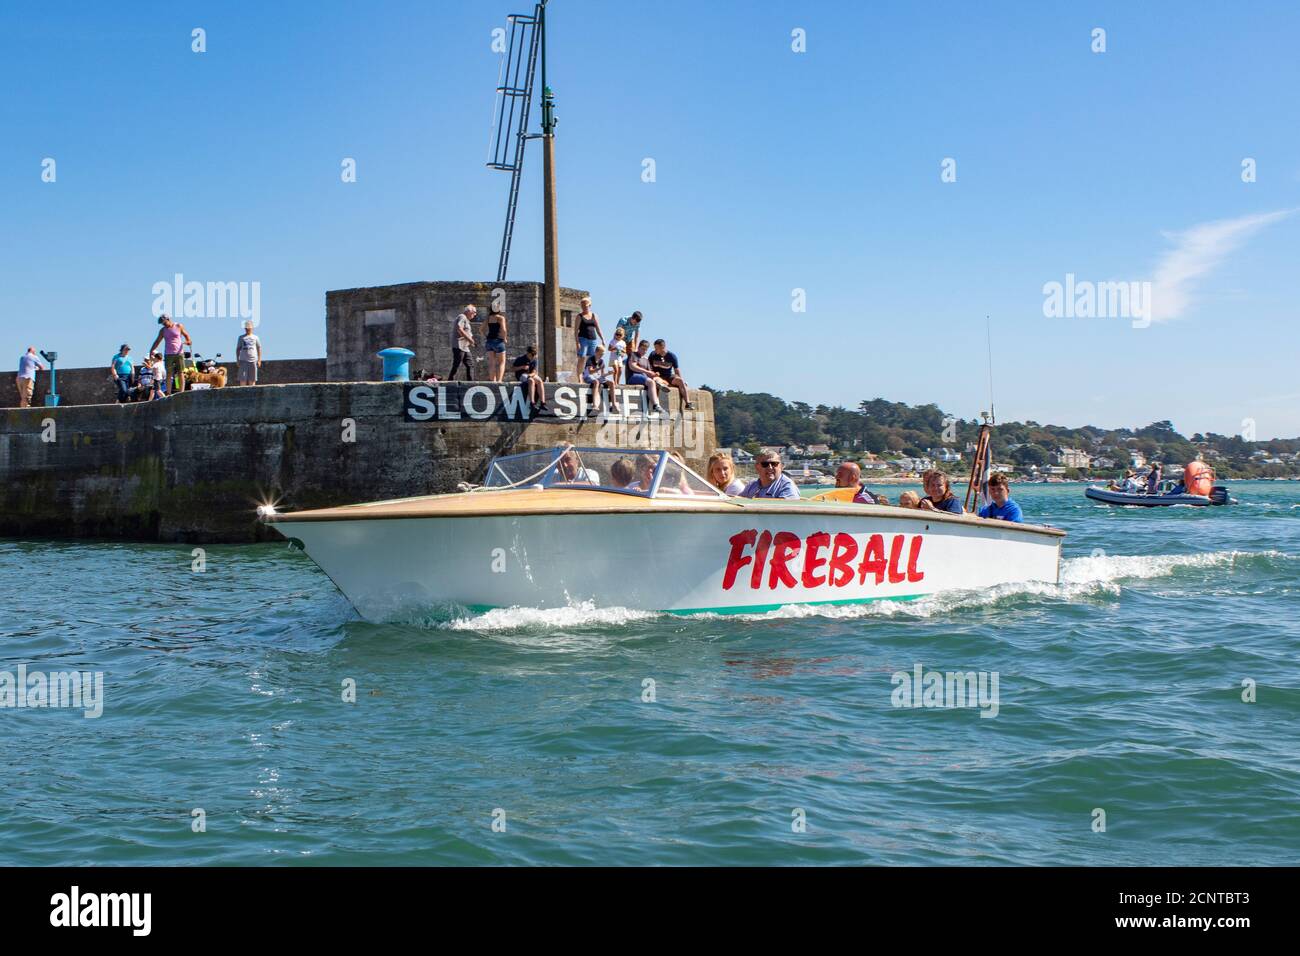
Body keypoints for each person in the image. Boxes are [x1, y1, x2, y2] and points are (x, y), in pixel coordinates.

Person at [149, 314, 192, 395]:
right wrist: (152, 350)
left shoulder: (179, 326)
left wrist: (188, 341)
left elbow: (186, 335)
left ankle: (181, 392)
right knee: (169, 373)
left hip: (179, 353)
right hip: (168, 354)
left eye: (164, 322)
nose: (163, 324)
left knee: (180, 372)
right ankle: (168, 393)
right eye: (162, 323)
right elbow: (157, 341)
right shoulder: (163, 330)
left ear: (168, 319)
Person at [647, 339, 692, 410]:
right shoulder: (653, 355)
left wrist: (681, 381)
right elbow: (648, 367)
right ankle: (657, 402)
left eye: (656, 348)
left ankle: (688, 403)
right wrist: (653, 373)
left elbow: (676, 370)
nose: (655, 350)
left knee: (680, 381)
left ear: (662, 347)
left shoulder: (672, 356)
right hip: (657, 376)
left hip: (668, 376)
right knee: (657, 380)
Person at [625, 340, 664, 415]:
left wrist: (655, 374)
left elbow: (650, 372)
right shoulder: (633, 355)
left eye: (646, 350)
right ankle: (656, 405)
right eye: (643, 349)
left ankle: (657, 404)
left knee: (657, 381)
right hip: (632, 377)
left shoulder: (646, 359)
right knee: (651, 382)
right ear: (638, 347)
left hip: (644, 377)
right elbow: (632, 367)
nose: (644, 351)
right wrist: (647, 372)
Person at [581, 345, 621, 416]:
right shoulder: (591, 359)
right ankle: (594, 405)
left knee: (611, 383)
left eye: (602, 354)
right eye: (600, 354)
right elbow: (590, 372)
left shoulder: (601, 361)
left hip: (597, 376)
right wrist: (599, 369)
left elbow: (602, 375)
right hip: (588, 376)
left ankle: (614, 404)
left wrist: (608, 373)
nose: (601, 356)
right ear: (596, 352)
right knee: (596, 382)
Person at [574, 296, 605, 382]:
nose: (584, 307)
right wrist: (577, 343)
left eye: (585, 305)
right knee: (582, 358)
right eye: (582, 305)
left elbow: (598, 328)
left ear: (589, 305)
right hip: (583, 339)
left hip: (593, 339)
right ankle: (580, 379)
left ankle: (590, 376)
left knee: (592, 359)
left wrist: (602, 339)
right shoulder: (579, 316)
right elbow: (576, 331)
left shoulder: (594, 315)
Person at [512, 345, 546, 411]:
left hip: (530, 374)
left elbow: (534, 372)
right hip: (521, 375)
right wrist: (522, 367)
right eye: (532, 355)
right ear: (528, 353)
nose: (533, 356)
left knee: (540, 381)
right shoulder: (520, 359)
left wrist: (530, 375)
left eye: (534, 355)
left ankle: (543, 403)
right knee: (531, 381)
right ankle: (532, 403)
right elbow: (513, 368)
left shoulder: (534, 360)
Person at [448, 304, 477, 381]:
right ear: (469, 311)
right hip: (459, 346)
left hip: (464, 347)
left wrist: (470, 340)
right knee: (457, 364)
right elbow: (459, 329)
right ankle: (450, 381)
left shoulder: (466, 320)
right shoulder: (462, 316)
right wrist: (470, 339)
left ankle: (471, 383)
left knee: (470, 364)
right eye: (474, 312)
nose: (475, 314)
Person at [235, 320, 262, 386]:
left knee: (252, 379)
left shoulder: (255, 337)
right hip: (243, 360)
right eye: (246, 328)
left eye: (249, 328)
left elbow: (259, 348)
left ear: (252, 328)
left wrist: (259, 360)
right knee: (243, 379)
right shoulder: (241, 337)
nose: (248, 329)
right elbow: (238, 349)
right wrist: (238, 360)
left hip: (253, 360)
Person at [484, 311, 508, 382]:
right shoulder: (501, 318)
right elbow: (504, 330)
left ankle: (493, 381)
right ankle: (499, 381)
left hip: (489, 342)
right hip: (498, 341)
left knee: (492, 363)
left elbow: (481, 329)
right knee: (501, 362)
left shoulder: (488, 318)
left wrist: (486, 336)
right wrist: (505, 338)